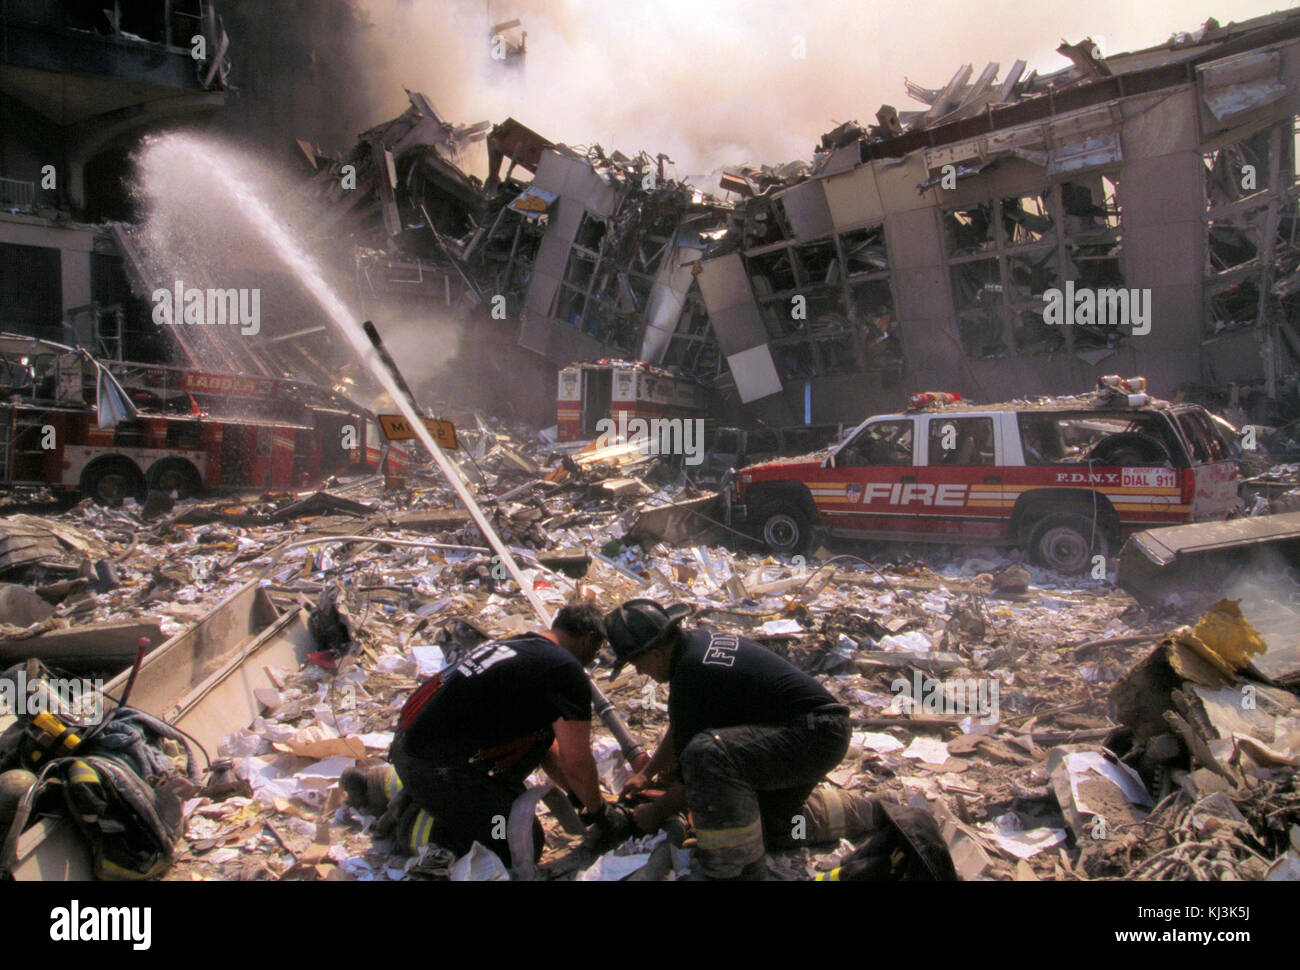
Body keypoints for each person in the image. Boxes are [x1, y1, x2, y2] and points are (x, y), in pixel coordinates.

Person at [604, 598, 875, 880]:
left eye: (637, 663)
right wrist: (647, 774)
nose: (639, 672)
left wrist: (656, 812)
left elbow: (694, 779)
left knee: (706, 755)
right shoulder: (693, 646)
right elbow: (682, 725)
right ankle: (875, 812)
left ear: (656, 654)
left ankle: (729, 870)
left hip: (812, 737)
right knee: (774, 828)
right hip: (817, 734)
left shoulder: (691, 672)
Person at [347, 600, 627, 867]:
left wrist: (581, 797)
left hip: (409, 750)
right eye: (596, 649)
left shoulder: (519, 646)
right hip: (438, 770)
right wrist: (602, 814)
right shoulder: (566, 671)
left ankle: (384, 783)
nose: (593, 659)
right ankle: (410, 825)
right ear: (589, 638)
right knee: (516, 842)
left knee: (534, 739)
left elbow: (545, 746)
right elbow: (575, 760)